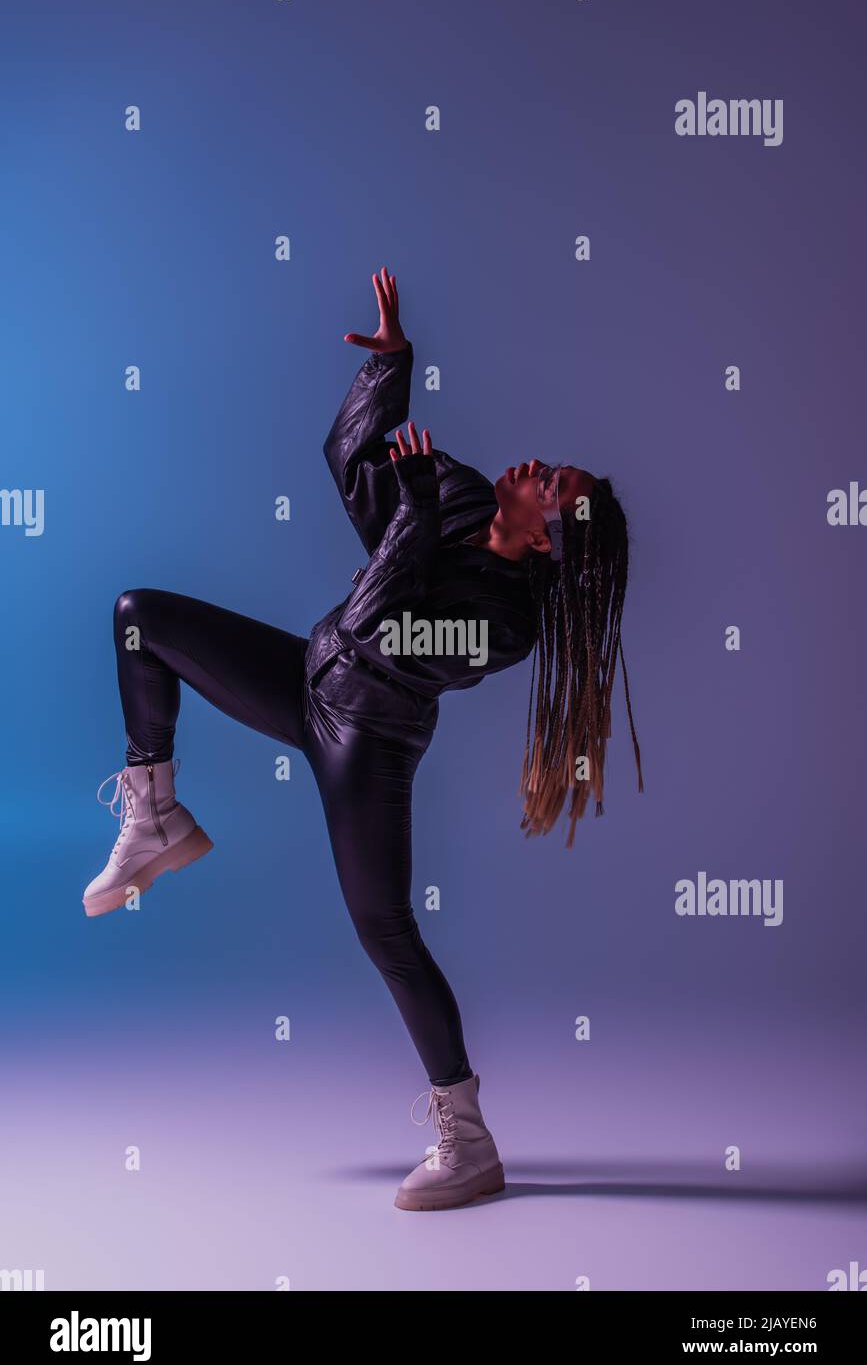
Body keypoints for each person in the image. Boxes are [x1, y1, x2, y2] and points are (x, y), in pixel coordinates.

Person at [83, 268, 642, 1210]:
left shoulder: (507, 625)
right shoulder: (459, 497)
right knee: (141, 617)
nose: (539, 469)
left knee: (384, 929)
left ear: (549, 541)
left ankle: (466, 1138)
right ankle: (155, 816)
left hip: (365, 741)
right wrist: (391, 371)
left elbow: (389, 628)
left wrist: (415, 517)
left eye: (555, 488)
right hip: (307, 674)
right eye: (553, 466)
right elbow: (351, 460)